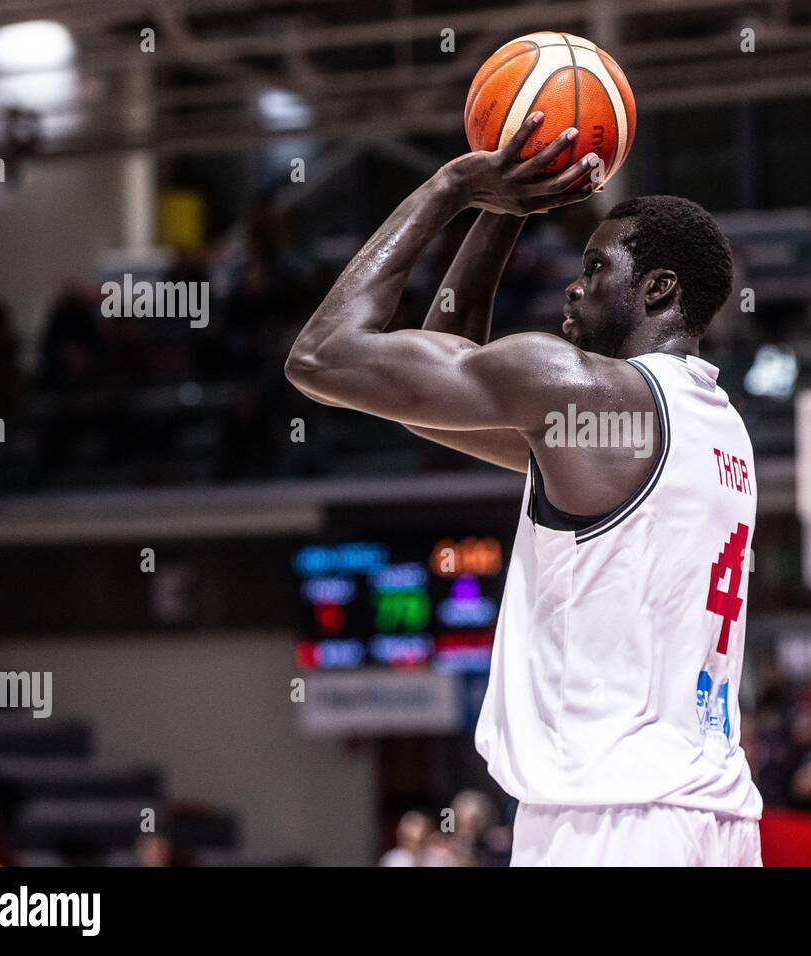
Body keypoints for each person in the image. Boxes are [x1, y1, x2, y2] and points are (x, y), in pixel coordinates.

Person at [286, 111, 762, 866]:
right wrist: (506, 216)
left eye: (597, 267)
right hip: (714, 817)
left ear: (659, 287)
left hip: (612, 820)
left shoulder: (584, 392)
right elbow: (431, 405)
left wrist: (453, 189)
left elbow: (322, 357)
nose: (574, 287)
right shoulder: (713, 428)